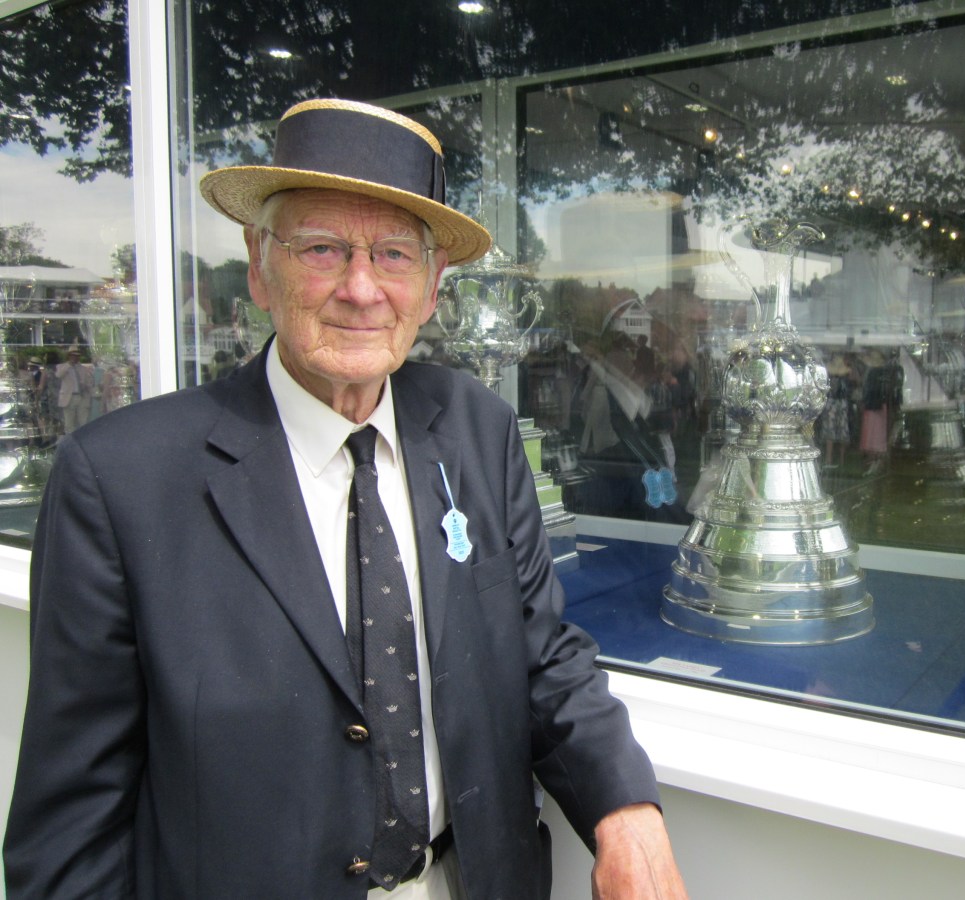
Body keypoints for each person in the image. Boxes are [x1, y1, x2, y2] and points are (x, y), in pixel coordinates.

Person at [4, 98, 686, 900]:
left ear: (431, 286)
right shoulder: (119, 480)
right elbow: (72, 828)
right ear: (260, 265)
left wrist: (623, 809)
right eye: (322, 248)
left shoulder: (479, 429)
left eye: (394, 254)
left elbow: (540, 656)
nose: (362, 290)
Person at [54, 344, 93, 433]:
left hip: (81, 396)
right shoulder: (61, 366)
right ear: (69, 356)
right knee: (69, 423)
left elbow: (88, 383)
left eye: (77, 356)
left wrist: (86, 387)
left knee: (83, 421)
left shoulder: (83, 368)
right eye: (73, 355)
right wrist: (69, 365)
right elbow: (58, 375)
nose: (75, 358)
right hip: (69, 397)